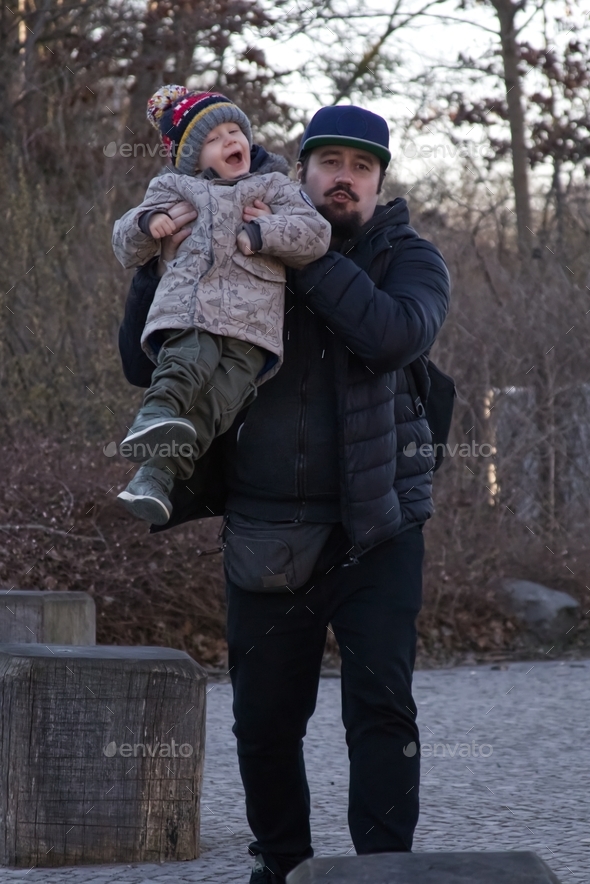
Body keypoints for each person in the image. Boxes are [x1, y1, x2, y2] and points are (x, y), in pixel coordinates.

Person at [118, 104, 451, 883]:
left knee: (381, 711)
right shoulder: (236, 230)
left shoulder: (409, 256)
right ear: (301, 167)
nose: (344, 177)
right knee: (264, 724)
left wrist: (304, 252)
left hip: (379, 525)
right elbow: (145, 368)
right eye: (329, 162)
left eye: (361, 168)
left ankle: (383, 872)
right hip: (266, 530)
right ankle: (282, 867)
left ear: (377, 183)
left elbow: (396, 334)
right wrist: (156, 259)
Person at [112, 85, 331, 524]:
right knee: (187, 365)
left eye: (236, 130)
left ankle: (152, 478)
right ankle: (152, 418)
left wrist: (266, 232)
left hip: (252, 329)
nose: (232, 140)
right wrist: (149, 222)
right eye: (215, 138)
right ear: (193, 158)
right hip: (191, 311)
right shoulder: (175, 186)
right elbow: (124, 244)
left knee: (215, 405)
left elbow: (315, 234)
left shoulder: (273, 187)